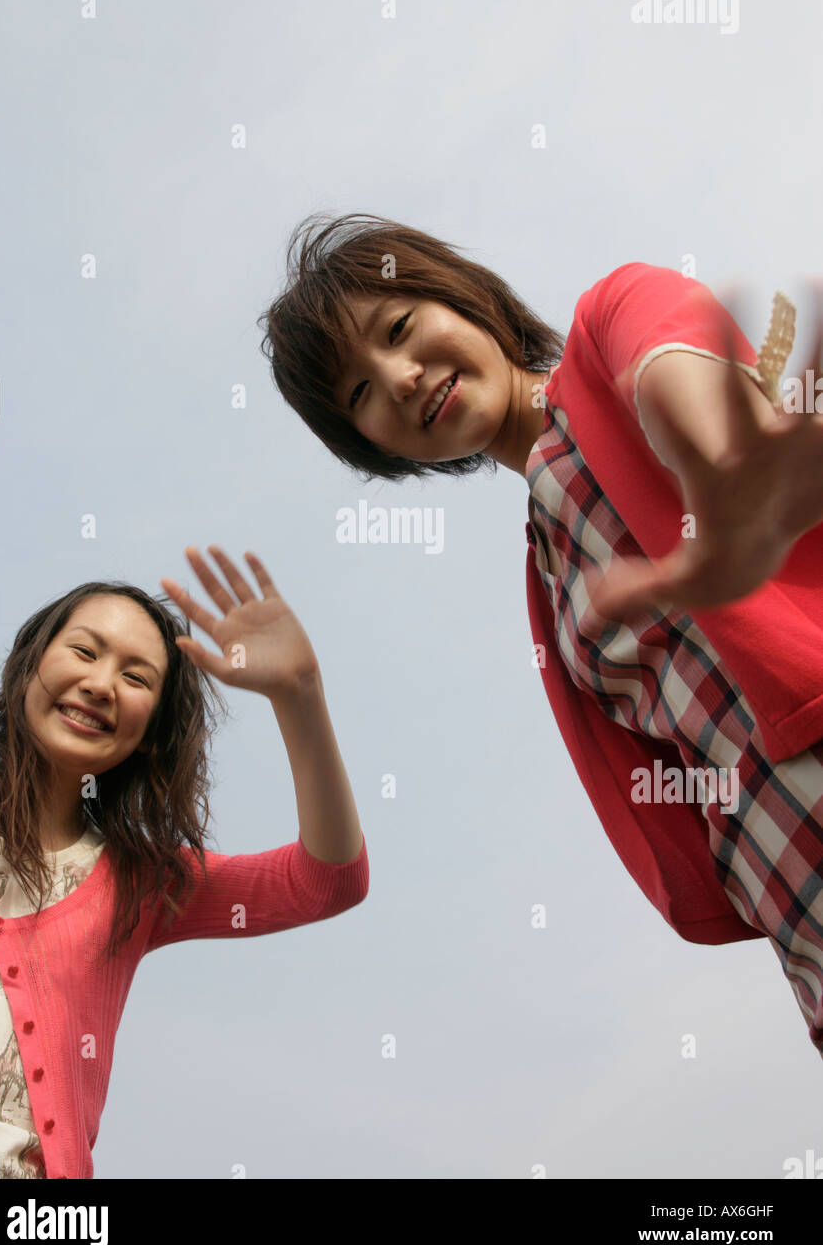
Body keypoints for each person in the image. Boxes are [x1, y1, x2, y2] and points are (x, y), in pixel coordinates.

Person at [258, 212, 823, 1056]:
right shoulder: (546, 568)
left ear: (464, 297)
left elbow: (668, 362)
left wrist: (714, 447)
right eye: (361, 393)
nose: (403, 378)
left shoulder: (606, 329)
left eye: (400, 329)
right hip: (796, 903)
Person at [0, 545, 367, 1178]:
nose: (99, 685)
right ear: (28, 665)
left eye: (136, 677)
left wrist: (300, 695)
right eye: (85, 652)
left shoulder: (141, 882)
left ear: (151, 732)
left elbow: (325, 883)